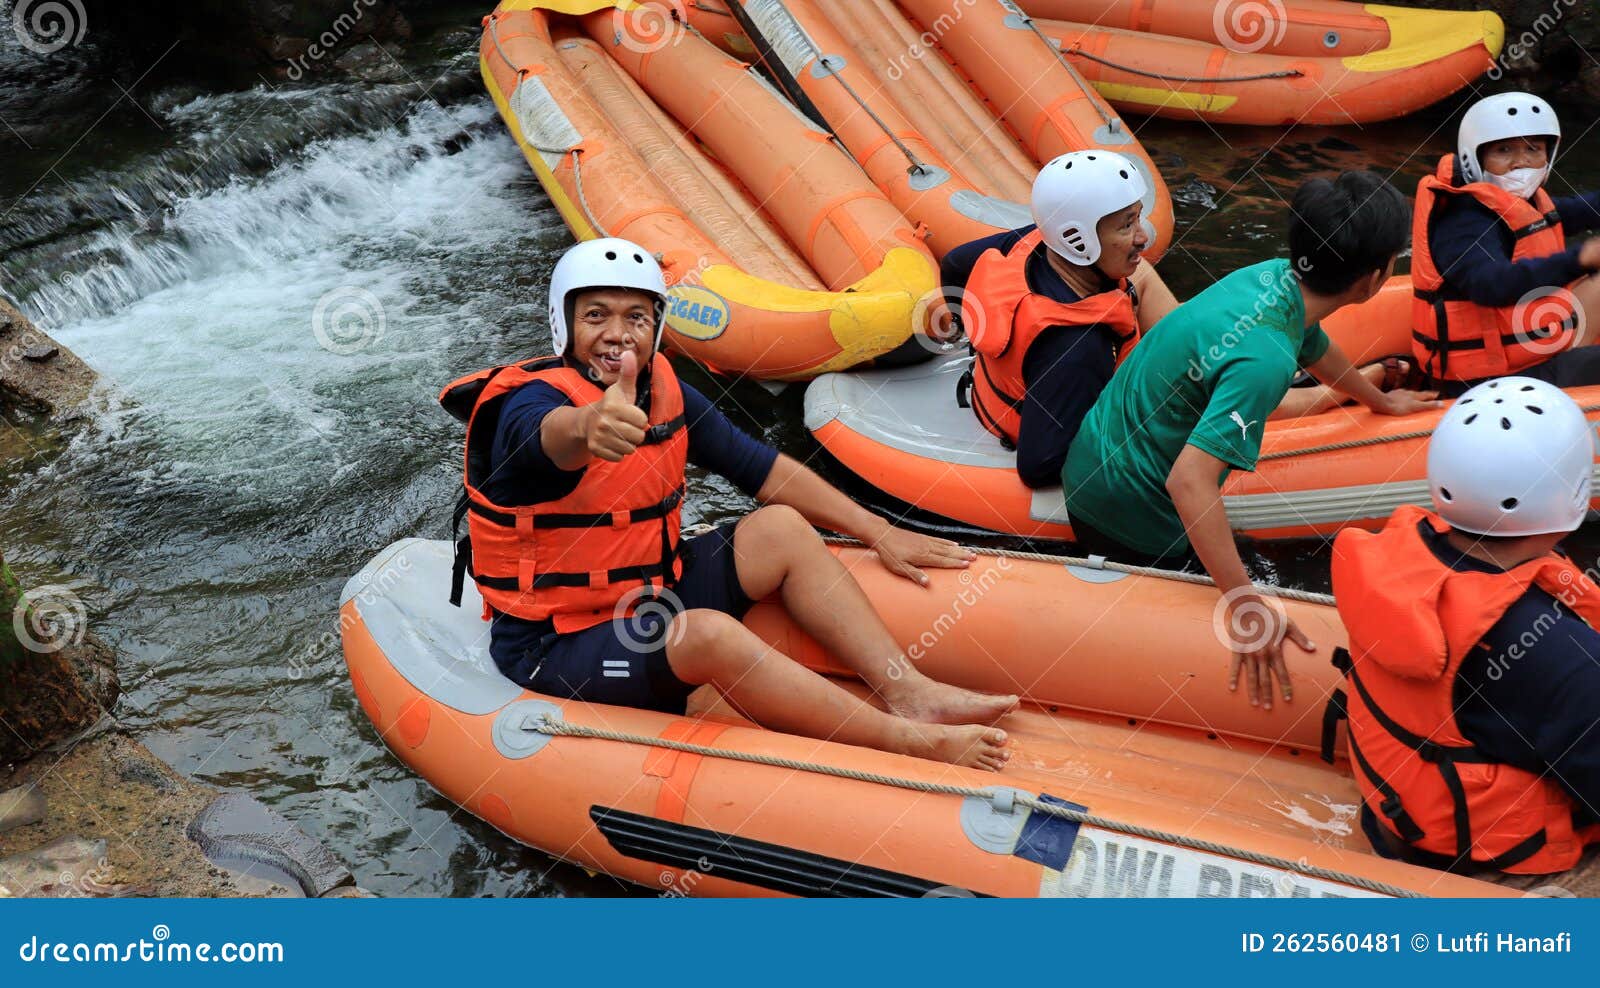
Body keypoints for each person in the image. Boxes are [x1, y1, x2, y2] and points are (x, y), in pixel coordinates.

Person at [440, 238, 1016, 770]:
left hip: (647, 596)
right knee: (707, 634)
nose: (619, 333)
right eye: (596, 315)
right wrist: (588, 426)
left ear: (657, 328)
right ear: (563, 324)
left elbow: (757, 467)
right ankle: (903, 741)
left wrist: (880, 531)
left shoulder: (664, 387)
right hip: (554, 644)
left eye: (636, 317)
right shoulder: (525, 409)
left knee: (782, 527)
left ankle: (909, 692)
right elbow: (545, 437)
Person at [1062, 171, 1441, 708]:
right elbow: (1189, 482)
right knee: (1270, 577)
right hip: (1125, 515)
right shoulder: (1263, 358)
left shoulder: (1272, 279)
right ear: (1375, 279)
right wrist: (1245, 604)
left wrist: (1377, 399)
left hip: (1096, 454)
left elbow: (1312, 342)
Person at [943, 151, 1400, 488]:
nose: (1143, 236)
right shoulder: (1076, 349)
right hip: (1067, 395)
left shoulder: (1030, 241)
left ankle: (1313, 380)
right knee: (1208, 395)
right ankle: (1321, 397)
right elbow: (1038, 466)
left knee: (1163, 307)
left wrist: (989, 343)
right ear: (1077, 239)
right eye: (1125, 226)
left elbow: (957, 266)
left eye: (1137, 218)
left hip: (1041, 370)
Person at [1329, 377, 1600, 874]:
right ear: (1576, 494)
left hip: (1398, 811)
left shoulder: (1394, 558)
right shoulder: (1563, 655)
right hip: (1486, 858)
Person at [1411, 92, 1600, 392]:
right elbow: (1489, 284)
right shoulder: (1462, 222)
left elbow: (1584, 209)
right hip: (1489, 382)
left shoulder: (1525, 204)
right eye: (1504, 150)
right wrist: (1579, 260)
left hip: (1532, 352)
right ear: (1474, 157)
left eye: (1533, 149)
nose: (1520, 162)